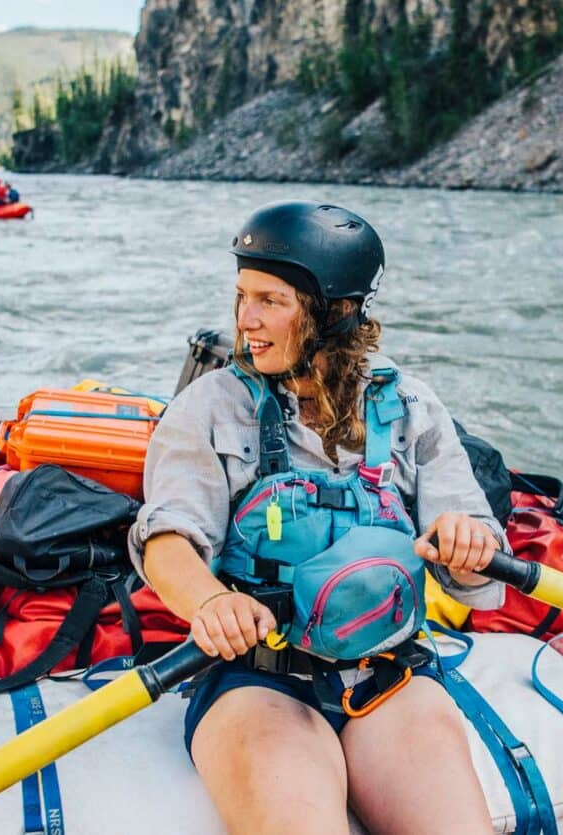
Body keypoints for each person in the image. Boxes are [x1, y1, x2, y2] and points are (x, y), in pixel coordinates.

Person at [130, 201, 505, 835]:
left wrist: (470, 542)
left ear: (333, 312)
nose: (246, 318)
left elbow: (476, 572)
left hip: (389, 673)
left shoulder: (411, 408)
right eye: (242, 295)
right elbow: (168, 539)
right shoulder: (210, 407)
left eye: (270, 300)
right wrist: (210, 603)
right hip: (259, 680)